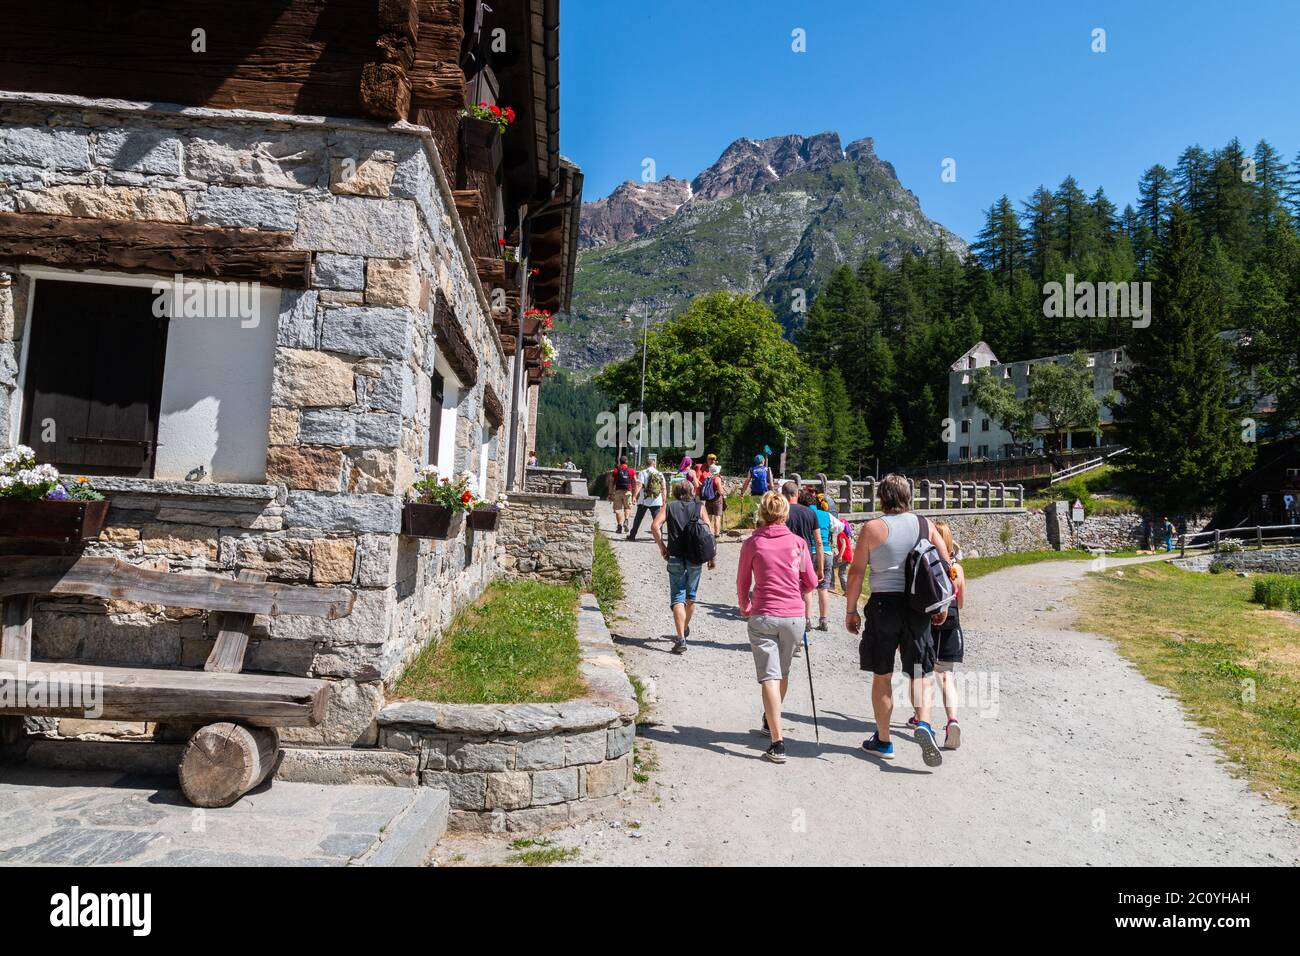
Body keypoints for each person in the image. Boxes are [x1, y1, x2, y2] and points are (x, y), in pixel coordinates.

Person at [844, 473, 951, 767]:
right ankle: (925, 724)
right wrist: (942, 603)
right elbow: (945, 564)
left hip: (883, 607)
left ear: (882, 497)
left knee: (883, 675)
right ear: (909, 497)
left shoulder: (872, 528)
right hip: (918, 608)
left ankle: (884, 740)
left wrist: (851, 610)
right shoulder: (925, 524)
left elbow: (856, 573)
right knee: (919, 671)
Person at [737, 491, 818, 764]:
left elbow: (741, 582)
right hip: (794, 617)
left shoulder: (752, 543)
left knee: (769, 677)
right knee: (782, 673)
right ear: (785, 513)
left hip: (763, 615)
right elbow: (811, 580)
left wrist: (744, 606)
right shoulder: (798, 543)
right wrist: (800, 589)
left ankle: (777, 742)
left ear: (762, 512)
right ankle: (771, 721)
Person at [651, 479, 711, 653]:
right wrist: (711, 556)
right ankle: (684, 628)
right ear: (692, 492)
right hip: (695, 557)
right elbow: (708, 529)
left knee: (678, 596)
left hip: (675, 555)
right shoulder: (699, 507)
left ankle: (681, 639)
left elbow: (655, 526)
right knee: (690, 596)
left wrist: (662, 547)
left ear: (676, 492)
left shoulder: (669, 507)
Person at [927, 520, 964, 750]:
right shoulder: (956, 568)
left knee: (923, 674)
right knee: (946, 676)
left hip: (928, 622)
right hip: (951, 622)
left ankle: (923, 720)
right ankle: (952, 720)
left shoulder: (928, 564)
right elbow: (961, 602)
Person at [782, 481, 824, 646]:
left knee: (788, 586)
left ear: (784, 495)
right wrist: (820, 567)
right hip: (803, 554)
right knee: (807, 587)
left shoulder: (782, 512)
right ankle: (806, 618)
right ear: (797, 494)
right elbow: (819, 541)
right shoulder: (810, 513)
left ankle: (789, 619)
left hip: (786, 554)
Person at [803, 489, 834, 631]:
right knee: (823, 588)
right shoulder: (827, 515)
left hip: (809, 552)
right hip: (826, 552)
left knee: (808, 588)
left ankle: (807, 619)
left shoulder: (804, 514)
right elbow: (839, 527)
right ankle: (823, 620)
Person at [627, 452, 664, 541]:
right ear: (654, 464)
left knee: (638, 519)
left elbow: (639, 485)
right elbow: (664, 488)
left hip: (644, 500)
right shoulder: (659, 473)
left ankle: (632, 536)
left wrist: (634, 496)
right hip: (656, 500)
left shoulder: (643, 472)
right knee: (658, 520)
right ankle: (659, 538)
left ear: (646, 465)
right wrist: (664, 500)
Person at [608, 456, 635, 534]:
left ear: (620, 462)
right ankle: (626, 520)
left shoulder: (616, 471)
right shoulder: (631, 471)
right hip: (628, 491)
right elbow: (635, 481)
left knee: (618, 509)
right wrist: (633, 493)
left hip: (618, 492)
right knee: (627, 507)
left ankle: (619, 526)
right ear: (627, 462)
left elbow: (611, 482)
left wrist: (610, 493)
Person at [700, 463, 726, 536]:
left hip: (708, 500)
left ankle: (707, 532)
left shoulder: (707, 478)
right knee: (717, 517)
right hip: (717, 500)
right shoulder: (717, 479)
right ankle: (717, 534)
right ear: (717, 471)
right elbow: (720, 492)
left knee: (709, 517)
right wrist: (722, 488)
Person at [834, 520, 855, 593]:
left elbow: (844, 545)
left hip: (844, 556)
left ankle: (830, 585)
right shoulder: (846, 535)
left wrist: (840, 556)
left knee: (830, 566)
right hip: (848, 556)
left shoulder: (841, 534)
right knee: (842, 574)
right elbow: (849, 547)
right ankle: (847, 591)